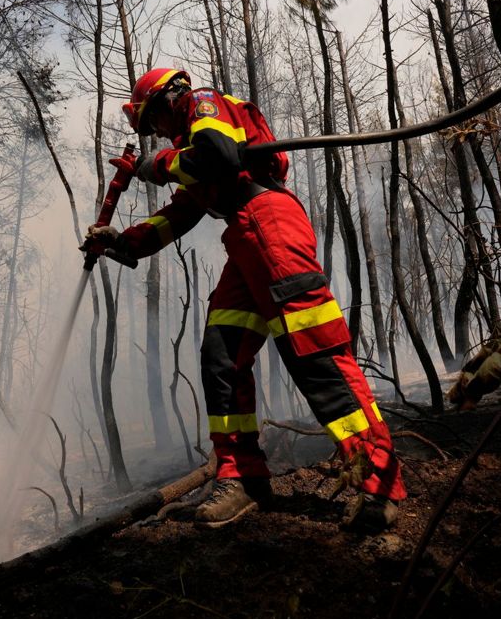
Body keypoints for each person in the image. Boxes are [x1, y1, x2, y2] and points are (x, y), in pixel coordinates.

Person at [83, 68, 406, 531]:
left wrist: (156, 165)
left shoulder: (205, 105)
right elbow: (181, 214)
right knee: (222, 354)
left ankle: (378, 482)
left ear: (166, 100)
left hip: (271, 226)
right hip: (246, 239)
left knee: (317, 355)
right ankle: (242, 477)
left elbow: (216, 154)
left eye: (152, 122)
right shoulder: (192, 149)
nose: (155, 132)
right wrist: (121, 242)